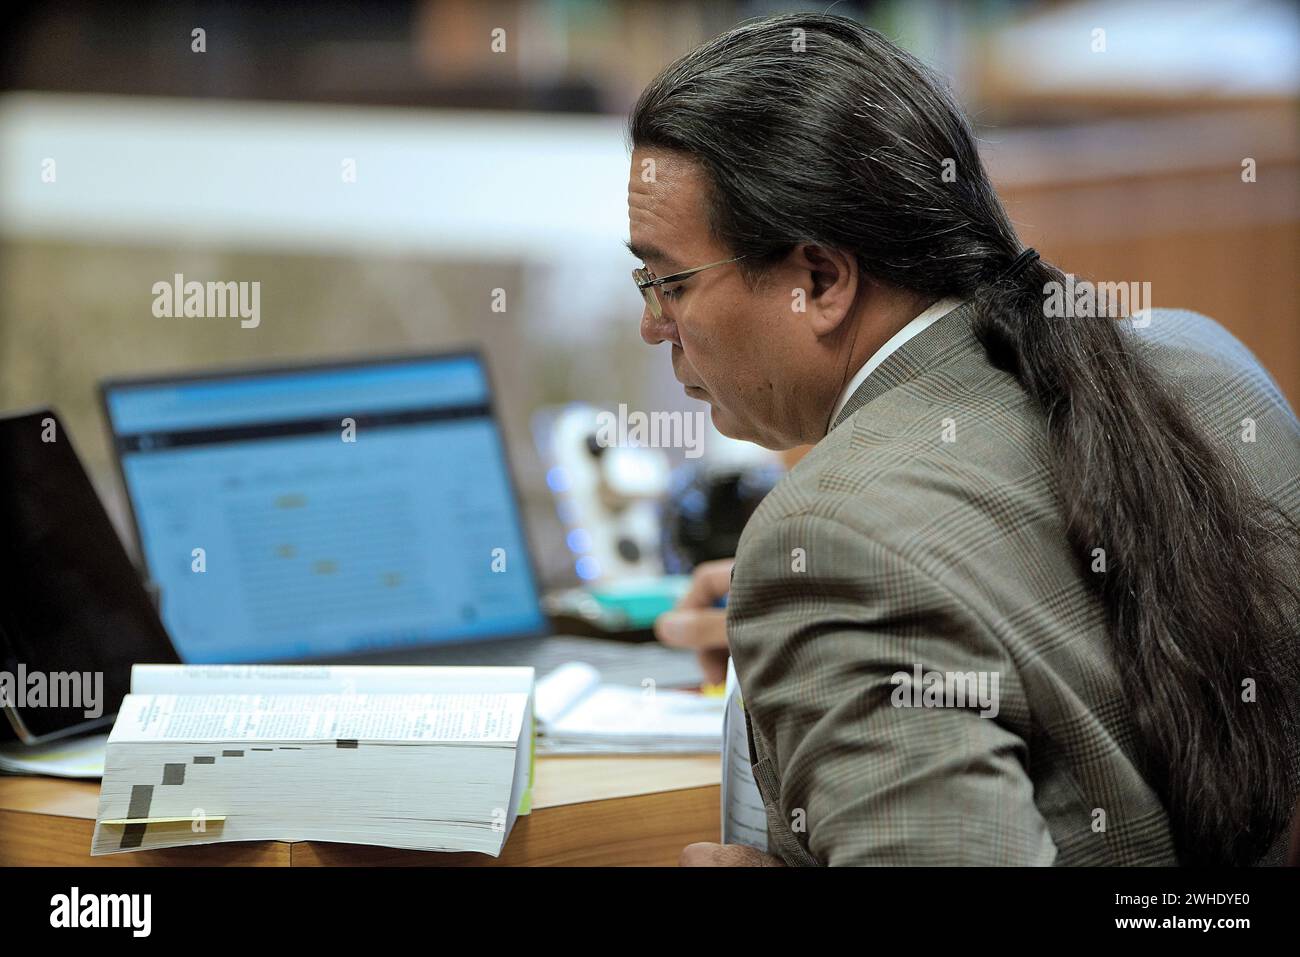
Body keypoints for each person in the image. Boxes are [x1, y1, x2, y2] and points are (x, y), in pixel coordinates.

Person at [629, 14, 1300, 866]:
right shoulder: (1204, 362)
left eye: (669, 281)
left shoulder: (837, 544)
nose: (654, 325)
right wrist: (820, 662)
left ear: (819, 280)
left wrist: (826, 608)